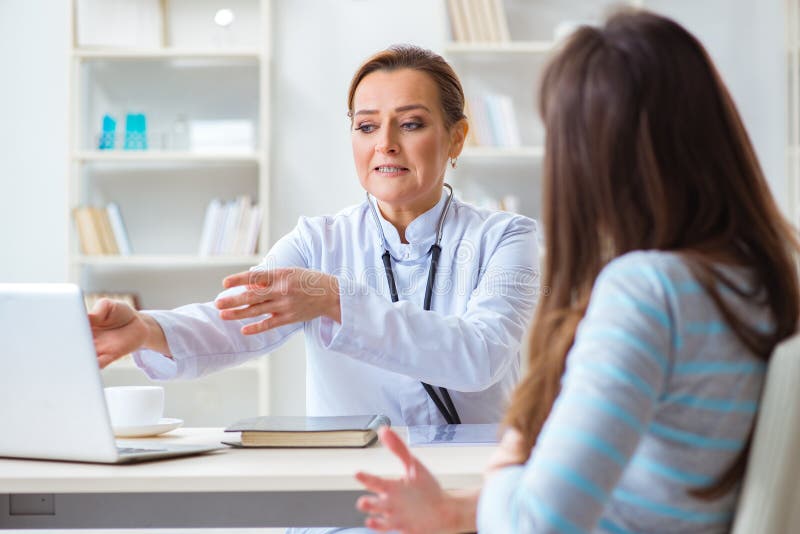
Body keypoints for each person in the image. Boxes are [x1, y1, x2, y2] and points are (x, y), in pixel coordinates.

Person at [354, 10, 800, 533]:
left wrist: (513, 451)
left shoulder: (647, 292)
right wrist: (461, 512)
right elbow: (654, 486)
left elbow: (537, 524)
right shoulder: (765, 274)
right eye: (366, 125)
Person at [89, 44, 539, 532]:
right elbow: (237, 319)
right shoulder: (317, 241)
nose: (385, 144)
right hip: (350, 500)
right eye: (366, 126)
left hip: (467, 495)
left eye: (410, 124)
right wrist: (146, 329)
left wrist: (334, 299)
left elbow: (480, 355)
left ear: (456, 138)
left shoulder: (507, 237)